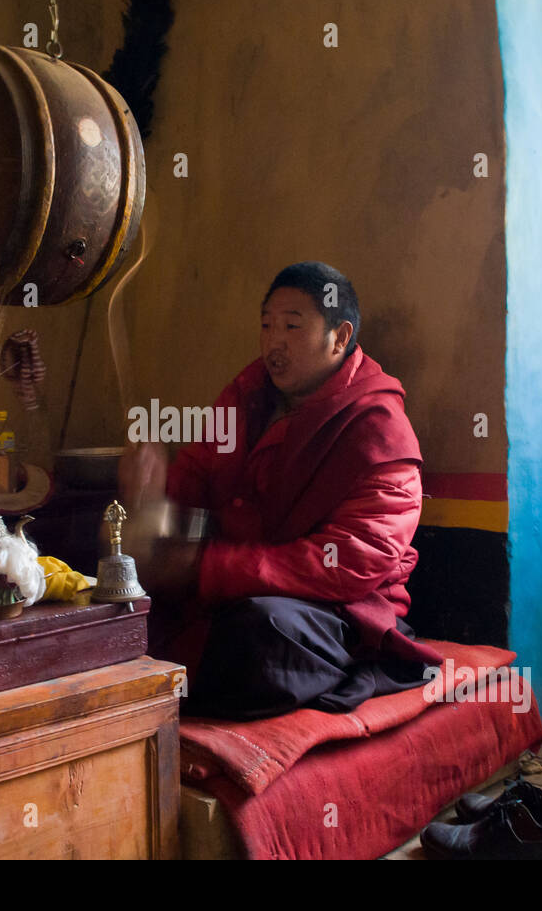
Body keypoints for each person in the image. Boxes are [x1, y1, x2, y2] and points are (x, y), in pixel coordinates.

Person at [119, 261, 443, 720]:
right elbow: (195, 479)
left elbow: (353, 560)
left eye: (292, 326)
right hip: (228, 590)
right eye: (267, 325)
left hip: (334, 613)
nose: (274, 342)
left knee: (262, 630)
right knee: (116, 604)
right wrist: (153, 496)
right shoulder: (247, 396)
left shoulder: (378, 430)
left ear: (339, 336)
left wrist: (211, 568)